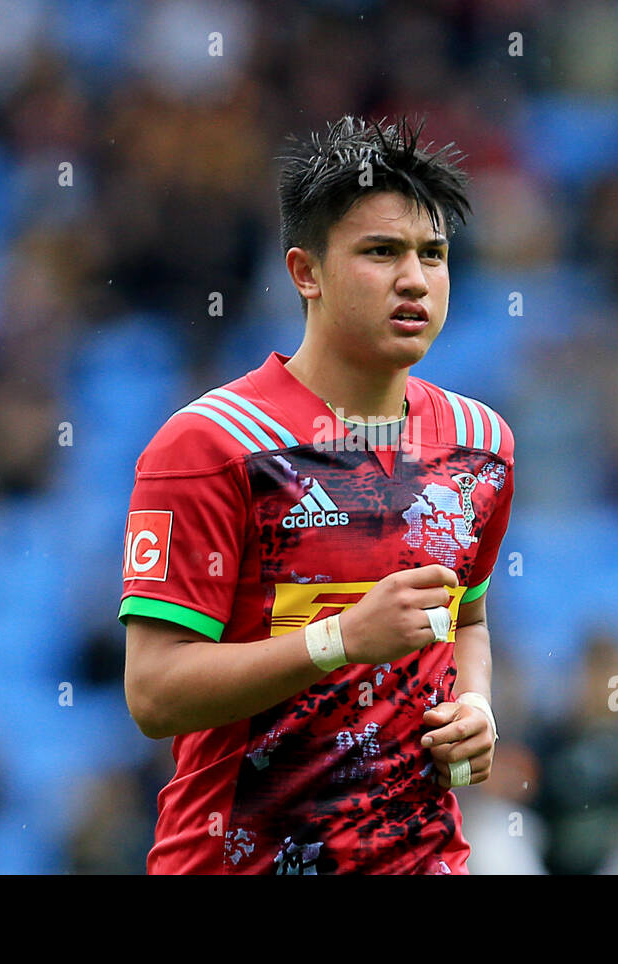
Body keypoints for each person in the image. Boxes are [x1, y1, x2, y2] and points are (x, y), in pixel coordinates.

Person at [121, 115, 515, 874]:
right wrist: (339, 640)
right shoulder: (209, 445)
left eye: (433, 255)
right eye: (381, 252)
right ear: (306, 272)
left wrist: (476, 709)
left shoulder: (481, 444)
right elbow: (154, 693)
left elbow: (467, 619)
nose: (415, 279)